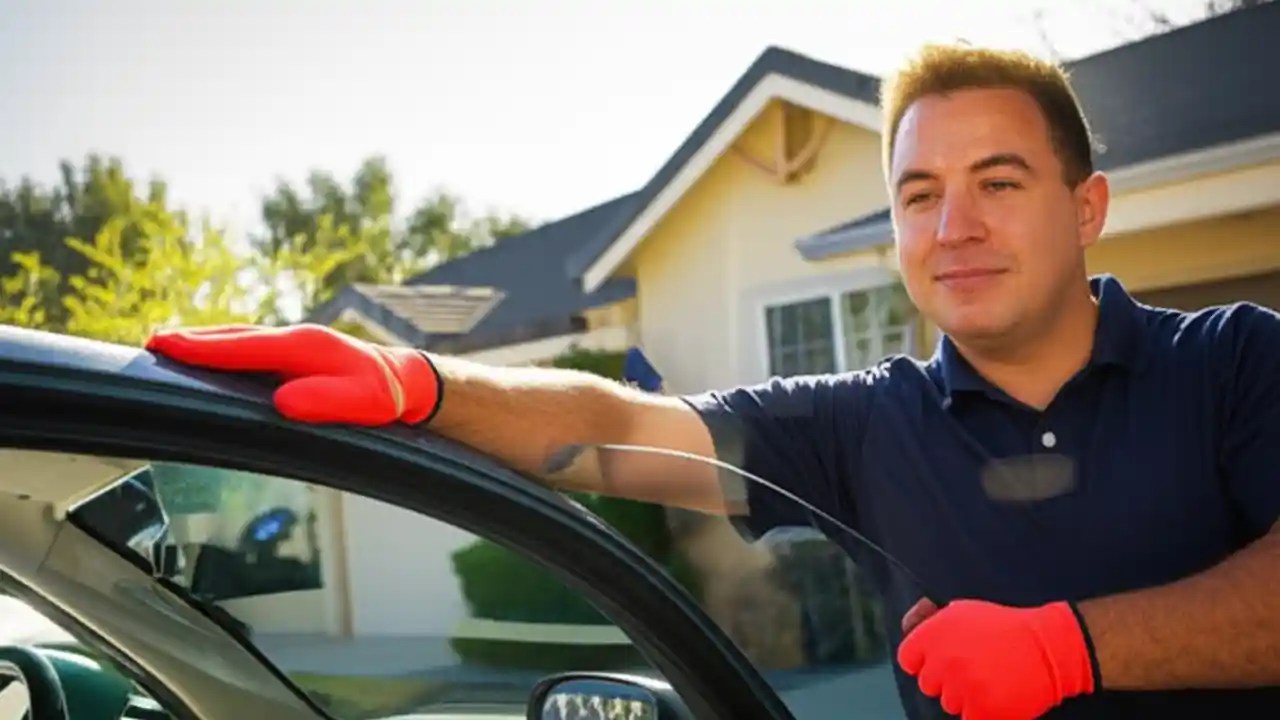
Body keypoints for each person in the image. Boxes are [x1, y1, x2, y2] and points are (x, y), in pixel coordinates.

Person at [145, 43, 1280, 719]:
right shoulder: (860, 429)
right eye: (918, 193)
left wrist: (1063, 647)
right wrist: (416, 384)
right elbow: (608, 427)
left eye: (997, 181)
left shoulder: (1231, 361)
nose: (954, 226)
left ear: (1085, 206)